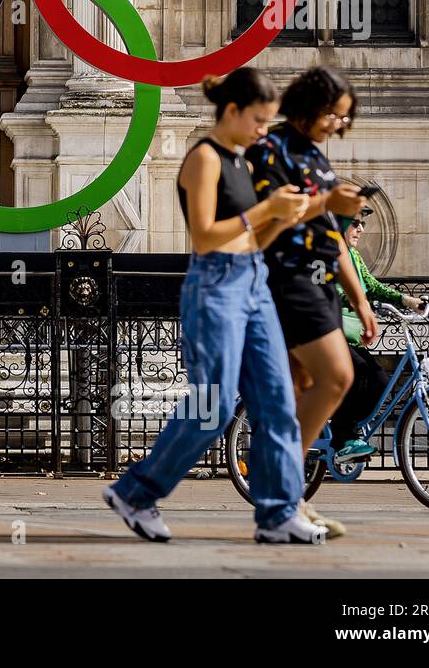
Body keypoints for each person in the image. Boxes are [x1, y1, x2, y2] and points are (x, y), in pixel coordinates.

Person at [103, 69, 327, 544]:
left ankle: (279, 513)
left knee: (278, 401)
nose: (263, 131)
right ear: (231, 111)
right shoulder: (203, 159)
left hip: (254, 282)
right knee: (215, 407)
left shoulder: (243, 165)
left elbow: (252, 237)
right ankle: (136, 491)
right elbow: (205, 235)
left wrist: (286, 217)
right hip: (216, 287)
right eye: (259, 120)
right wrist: (266, 209)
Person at [245, 66, 379, 539]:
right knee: (338, 376)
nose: (338, 127)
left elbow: (334, 239)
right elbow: (274, 218)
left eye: (343, 119)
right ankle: (280, 495)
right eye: (334, 117)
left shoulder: (315, 158)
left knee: (296, 395)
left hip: (319, 284)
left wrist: (360, 300)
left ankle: (283, 504)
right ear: (310, 108)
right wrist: (327, 205)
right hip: (287, 280)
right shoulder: (269, 151)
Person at [328, 211, 424, 462]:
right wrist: (354, 301)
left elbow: (371, 286)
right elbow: (326, 289)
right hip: (328, 332)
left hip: (349, 336)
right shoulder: (328, 252)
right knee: (358, 372)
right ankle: (342, 440)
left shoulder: (355, 257)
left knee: (380, 381)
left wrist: (405, 300)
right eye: (356, 224)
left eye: (363, 224)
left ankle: (348, 431)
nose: (360, 229)